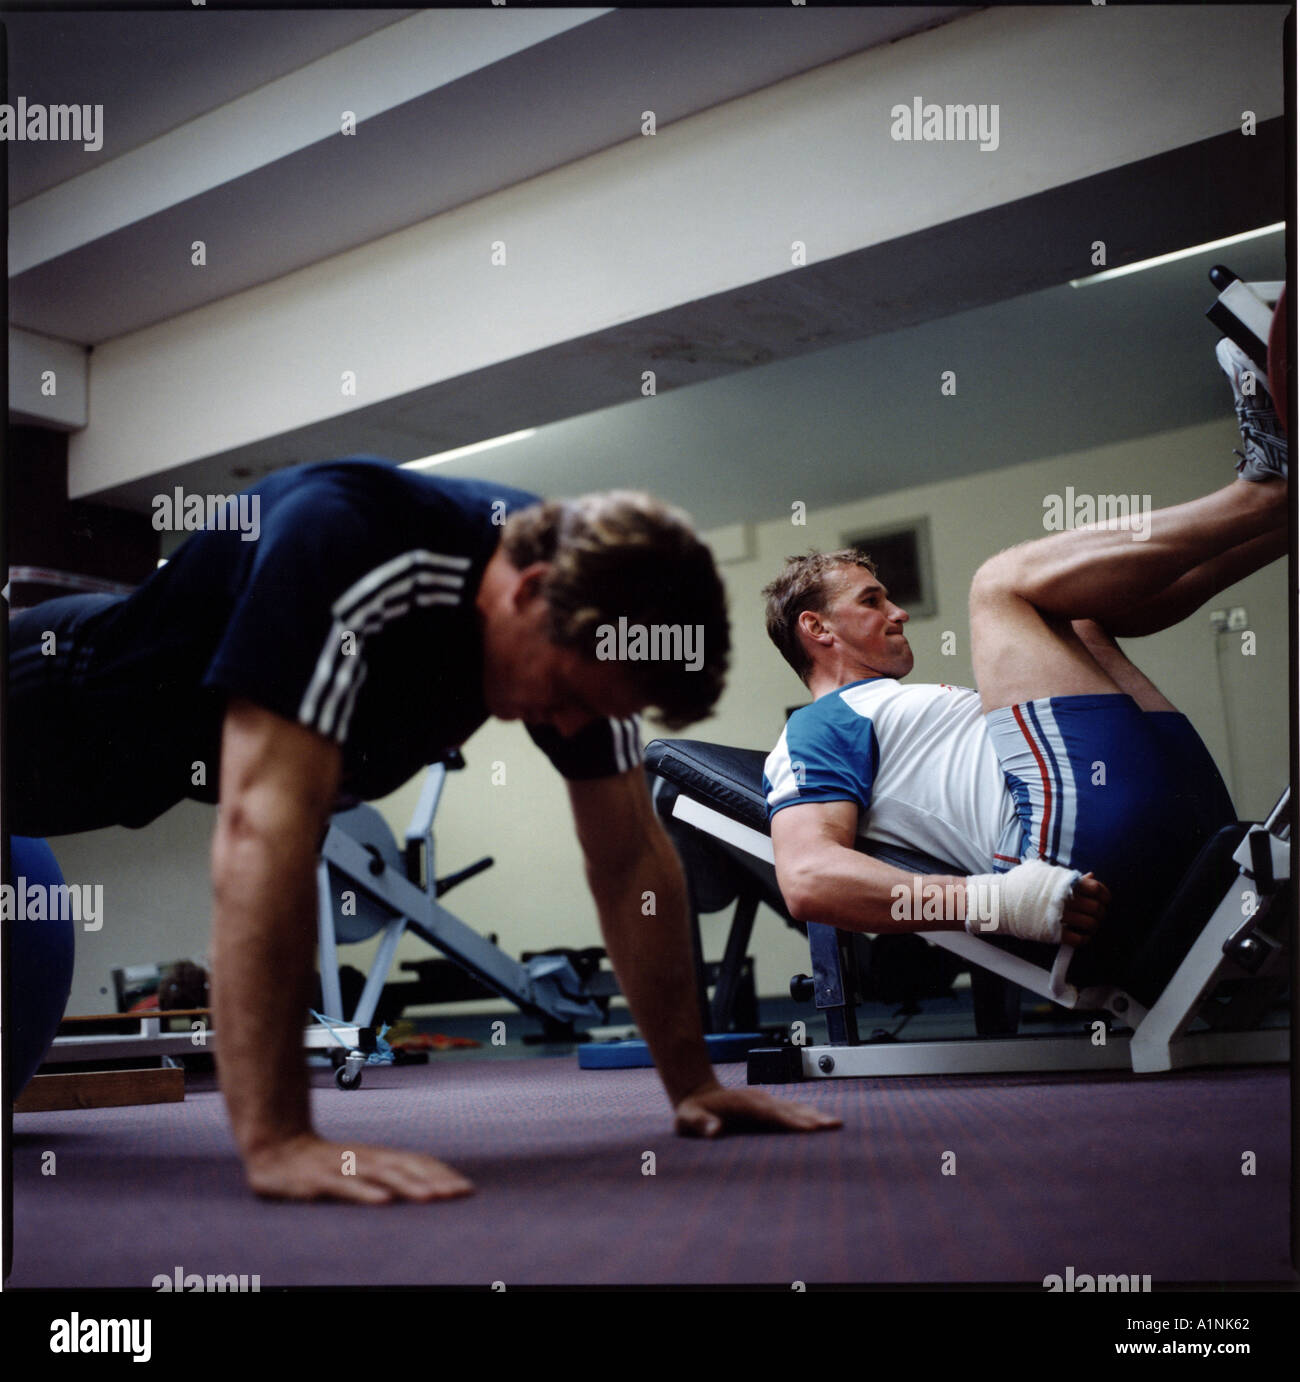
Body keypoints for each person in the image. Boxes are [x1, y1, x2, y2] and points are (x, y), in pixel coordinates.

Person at [8, 457, 839, 1204]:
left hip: (108, 792)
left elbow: (628, 860)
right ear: (527, 590)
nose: (569, 724)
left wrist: (692, 1083)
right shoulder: (348, 543)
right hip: (35, 718)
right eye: (567, 695)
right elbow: (264, 833)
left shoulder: (578, 629)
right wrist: (281, 1138)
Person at [761, 340, 1287, 978]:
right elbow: (808, 878)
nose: (899, 614)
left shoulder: (897, 707)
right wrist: (1000, 903)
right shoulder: (815, 729)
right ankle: (1261, 491)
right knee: (999, 584)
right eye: (873, 601)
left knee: (1083, 611)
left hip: (1179, 824)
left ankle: (1280, 522)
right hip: (1078, 868)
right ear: (815, 628)